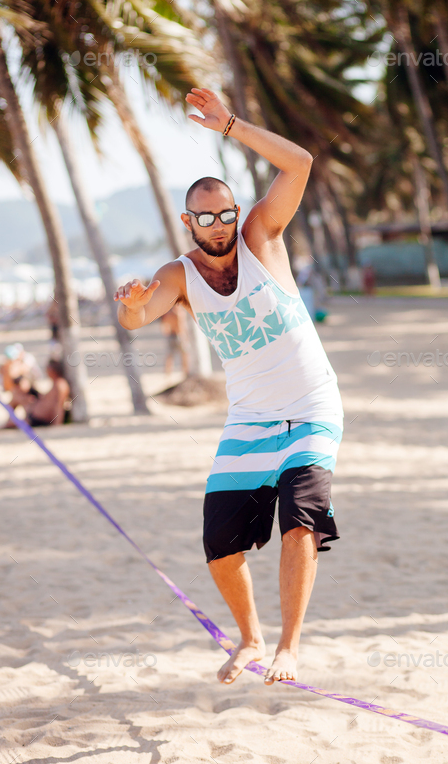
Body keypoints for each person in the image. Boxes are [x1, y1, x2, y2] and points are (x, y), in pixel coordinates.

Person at [114, 87, 343, 687]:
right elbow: (138, 320)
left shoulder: (262, 236)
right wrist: (131, 307)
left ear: (236, 212)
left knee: (301, 522)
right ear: (188, 222)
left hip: (312, 404)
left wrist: (231, 124)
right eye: (205, 217)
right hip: (248, 418)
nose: (217, 225)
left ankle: (288, 648)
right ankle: (251, 638)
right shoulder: (178, 275)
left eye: (225, 213)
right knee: (220, 547)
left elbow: (300, 165)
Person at [3, 359, 70, 428]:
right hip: (36, 412)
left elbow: (59, 406)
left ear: (52, 370)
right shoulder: (55, 384)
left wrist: (57, 424)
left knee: (13, 422)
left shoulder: (60, 385)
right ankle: (8, 421)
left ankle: (7, 424)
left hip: (39, 418)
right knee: (17, 397)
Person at [160, 304, 189, 375]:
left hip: (172, 335)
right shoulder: (180, 313)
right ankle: (185, 372)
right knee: (184, 355)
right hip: (179, 335)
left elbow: (164, 326)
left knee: (171, 356)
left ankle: (168, 373)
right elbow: (183, 326)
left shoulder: (168, 314)